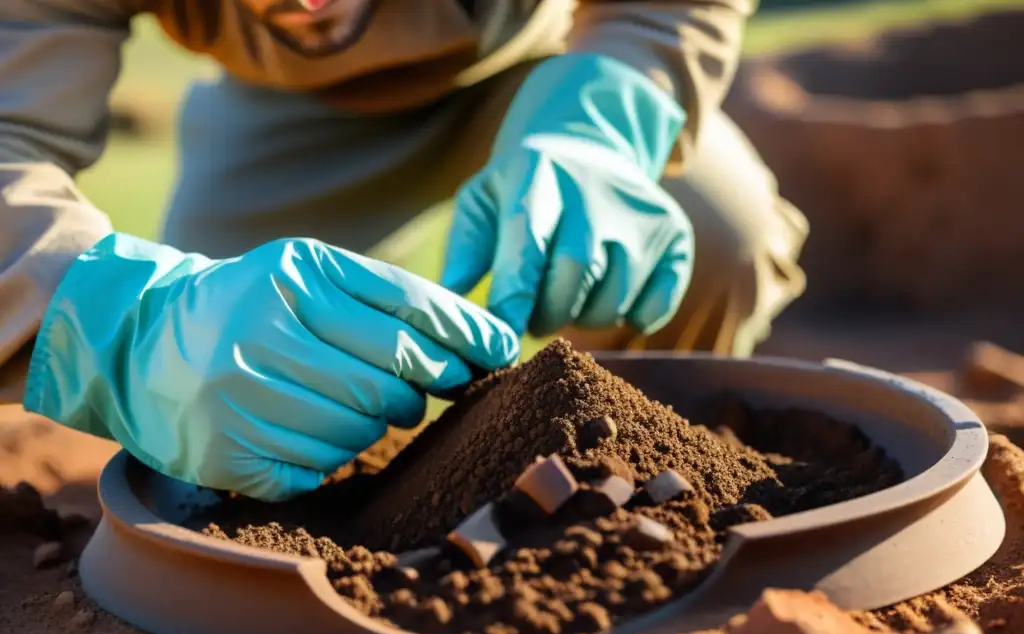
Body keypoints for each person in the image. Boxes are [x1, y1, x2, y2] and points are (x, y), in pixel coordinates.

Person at [0, 0, 808, 502]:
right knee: (210, 423)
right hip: (286, 121)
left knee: (715, 232)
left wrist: (598, 123)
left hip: (542, 73)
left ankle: (658, 490)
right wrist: (123, 326)